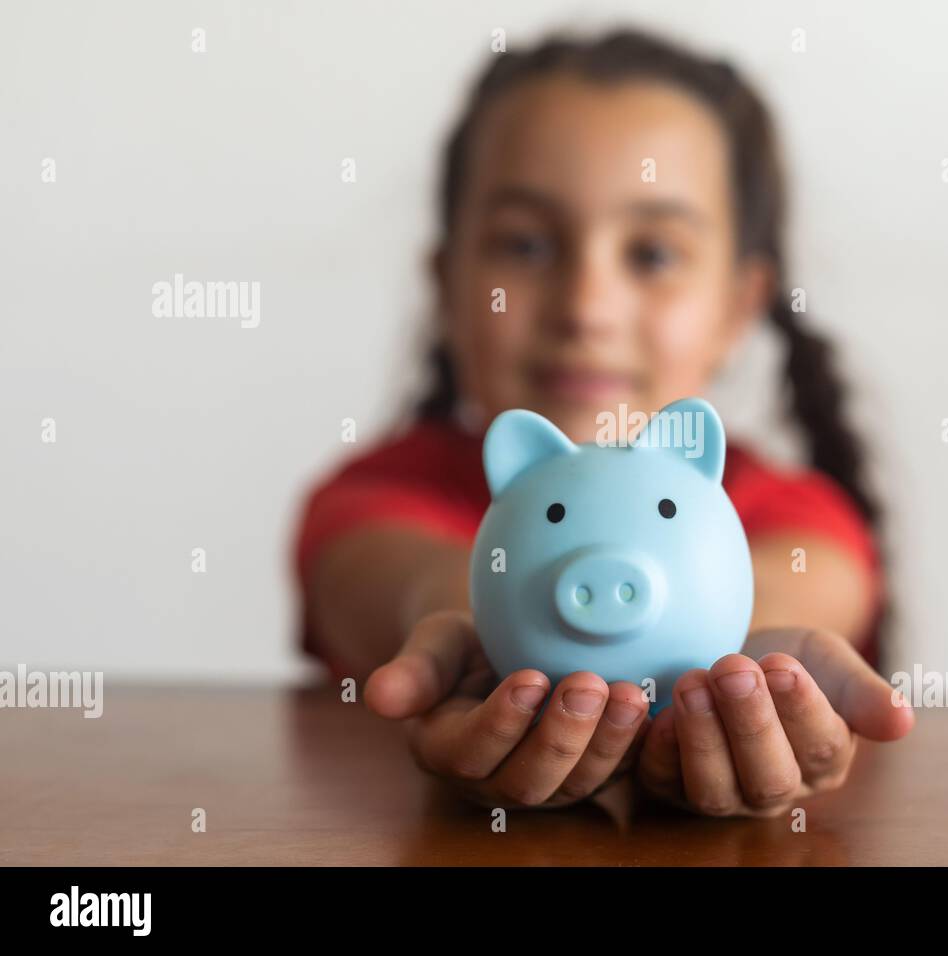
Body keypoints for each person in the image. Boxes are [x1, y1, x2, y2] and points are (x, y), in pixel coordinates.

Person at [292, 28, 913, 818]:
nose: (586, 307)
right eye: (525, 245)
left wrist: (723, 677)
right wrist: (490, 624)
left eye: (652, 255)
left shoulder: (795, 514)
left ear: (737, 308)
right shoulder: (374, 497)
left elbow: (801, 587)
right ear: (449, 286)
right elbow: (401, 581)